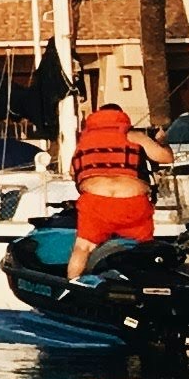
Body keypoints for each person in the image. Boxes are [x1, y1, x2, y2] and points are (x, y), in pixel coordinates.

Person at [67, 101, 158, 276]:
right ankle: (147, 285)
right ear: (122, 116)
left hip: (96, 202)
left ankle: (72, 285)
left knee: (83, 246)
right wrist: (163, 142)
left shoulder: (85, 141)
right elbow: (165, 157)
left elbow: (73, 171)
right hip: (132, 202)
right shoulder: (133, 135)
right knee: (146, 246)